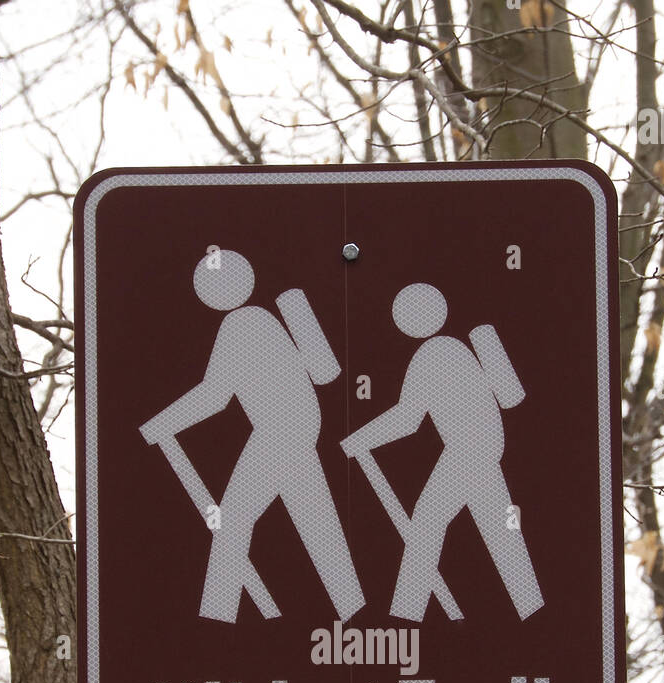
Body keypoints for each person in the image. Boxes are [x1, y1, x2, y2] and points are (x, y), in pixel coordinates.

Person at [141, 250, 364, 624]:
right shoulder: (264, 319)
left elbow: (215, 394)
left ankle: (217, 619)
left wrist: (161, 424)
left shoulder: (241, 324)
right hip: (299, 427)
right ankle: (352, 608)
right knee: (316, 521)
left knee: (232, 521)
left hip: (279, 431)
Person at [340, 282, 543, 624]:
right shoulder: (456, 348)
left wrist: (359, 440)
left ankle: (406, 616)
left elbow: (408, 418)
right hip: (484, 447)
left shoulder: (433, 354)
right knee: (497, 528)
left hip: (467, 450)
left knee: (426, 523)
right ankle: (531, 607)